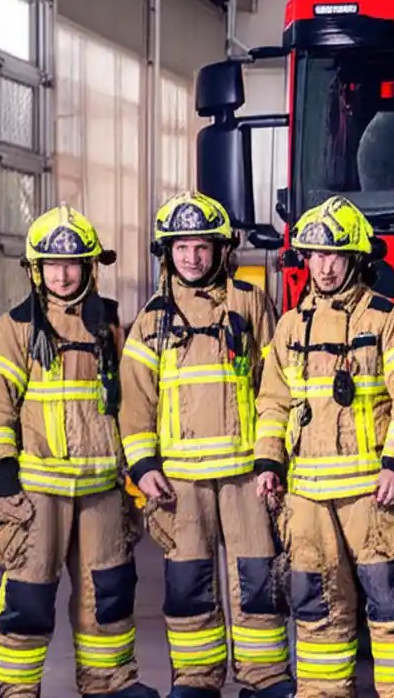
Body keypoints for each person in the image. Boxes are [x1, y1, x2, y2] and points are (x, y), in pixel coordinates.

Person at [254, 195, 394, 698]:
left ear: (357, 259)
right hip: (307, 495)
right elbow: (272, 402)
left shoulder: (388, 319)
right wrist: (269, 463)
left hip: (372, 496)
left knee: (390, 601)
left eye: (335, 255)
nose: (324, 266)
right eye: (314, 255)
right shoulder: (291, 327)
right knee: (316, 607)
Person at [0, 205, 159, 698]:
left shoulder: (113, 326)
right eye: (52, 265)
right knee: (28, 597)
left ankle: (110, 685)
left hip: (101, 489)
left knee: (109, 595)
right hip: (38, 493)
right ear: (36, 269)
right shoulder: (14, 328)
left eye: (73, 263)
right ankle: (16, 690)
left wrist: (136, 474)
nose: (62, 273)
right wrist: (2, 480)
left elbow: (135, 403)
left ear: (90, 267)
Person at [119, 192, 293, 698]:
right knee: (188, 584)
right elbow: (135, 401)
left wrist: (271, 459)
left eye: (202, 247)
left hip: (245, 473)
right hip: (179, 480)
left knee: (257, 579)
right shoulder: (151, 320)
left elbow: (274, 385)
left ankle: (264, 678)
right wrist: (143, 465)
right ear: (166, 253)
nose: (192, 257)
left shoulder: (251, 303)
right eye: (181, 248)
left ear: (221, 251)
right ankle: (196, 681)